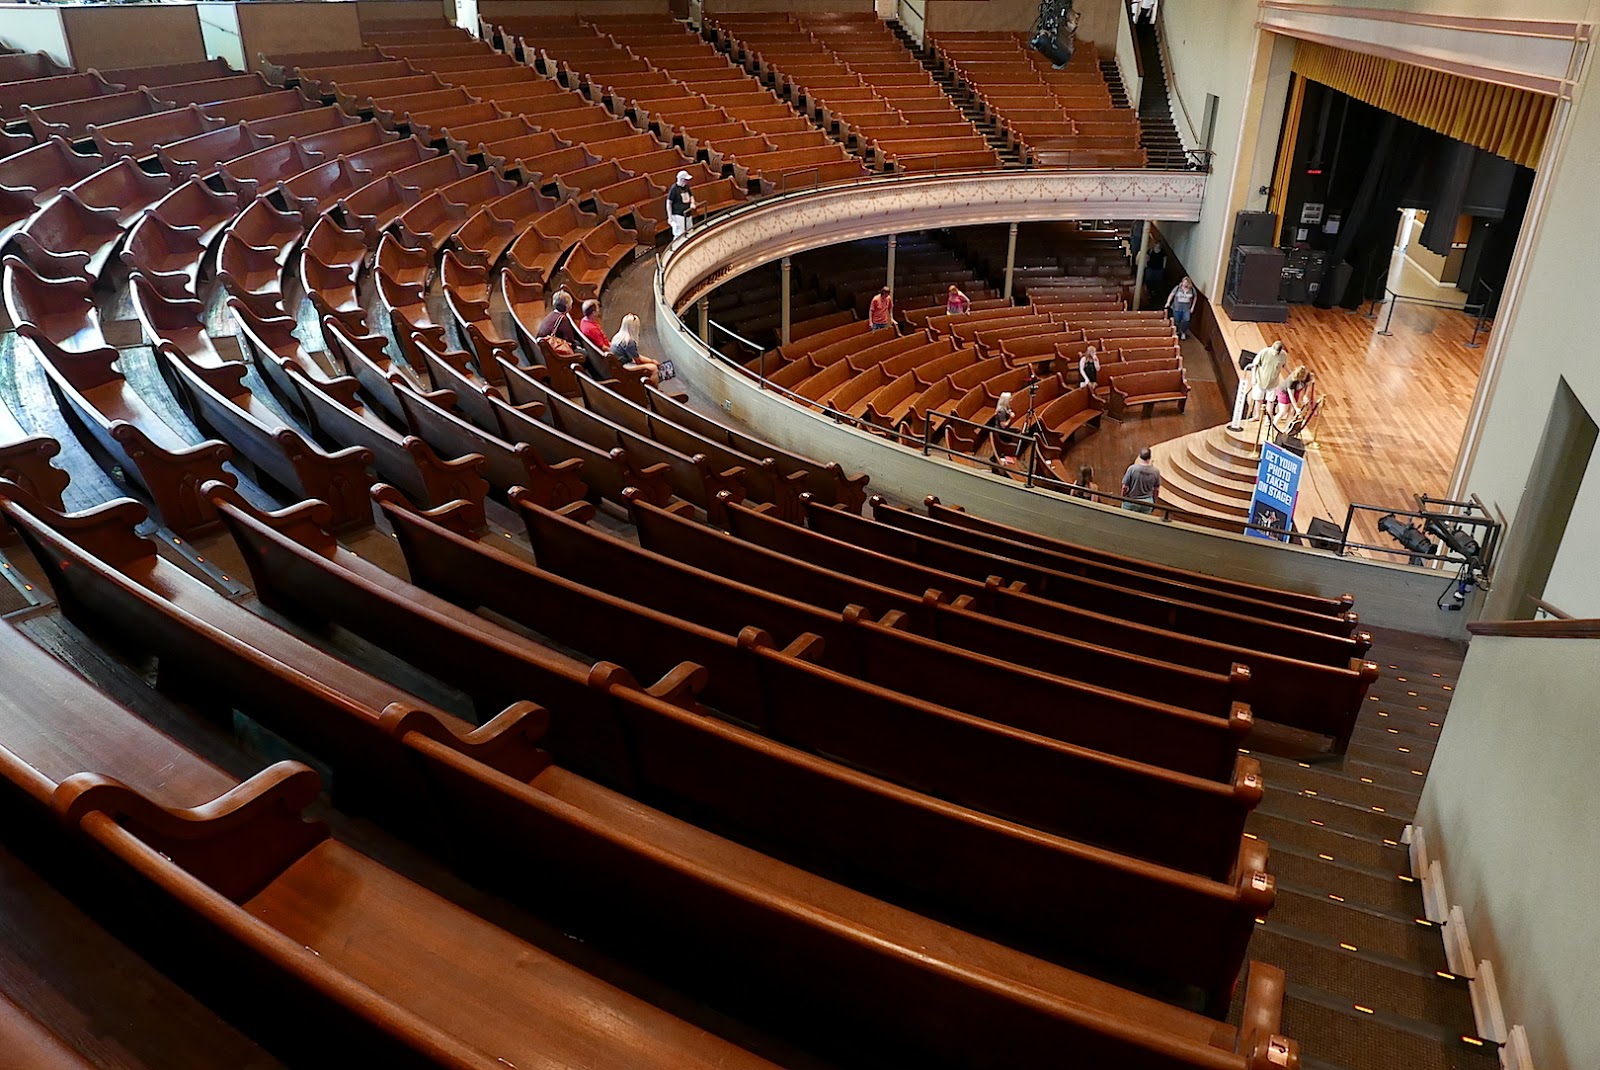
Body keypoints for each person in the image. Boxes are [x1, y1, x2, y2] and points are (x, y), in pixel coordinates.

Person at [1228, 339, 1287, 430]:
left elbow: (1284, 365)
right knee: (1258, 399)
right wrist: (1253, 377)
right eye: (1274, 352)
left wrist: (1290, 373)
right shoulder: (1264, 352)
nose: (1275, 354)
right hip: (1260, 380)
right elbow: (1254, 365)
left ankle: (1268, 419)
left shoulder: (1283, 355)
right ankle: (1257, 415)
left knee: (1270, 401)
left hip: (1273, 382)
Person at [610, 313, 666, 385]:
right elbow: (638, 360)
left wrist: (651, 361)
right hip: (624, 366)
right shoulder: (629, 341)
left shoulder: (618, 336)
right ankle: (654, 391)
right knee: (654, 369)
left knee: (651, 365)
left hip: (619, 364)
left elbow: (636, 355)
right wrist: (652, 362)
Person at [1121, 447, 1161, 514]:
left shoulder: (1132, 469)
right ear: (1150, 457)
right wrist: (1154, 503)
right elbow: (1156, 490)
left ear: (1140, 456)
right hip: (1147, 503)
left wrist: (1123, 498)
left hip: (1132, 501)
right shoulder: (1156, 472)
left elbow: (1124, 487)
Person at [1165, 275, 1197, 340]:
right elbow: (1171, 294)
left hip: (1186, 308)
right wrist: (1168, 302)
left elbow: (1195, 297)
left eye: (1187, 282)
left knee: (1186, 320)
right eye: (1184, 282)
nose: (1185, 284)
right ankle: (1177, 331)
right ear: (1182, 282)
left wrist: (1192, 307)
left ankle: (1183, 332)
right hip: (1177, 307)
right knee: (1177, 320)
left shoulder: (1192, 289)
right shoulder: (1177, 288)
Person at [666, 170, 696, 239]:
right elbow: (669, 203)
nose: (687, 181)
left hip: (687, 214)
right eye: (686, 180)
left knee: (690, 232)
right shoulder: (674, 189)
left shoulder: (686, 187)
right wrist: (670, 217)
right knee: (680, 235)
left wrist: (692, 203)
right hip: (678, 216)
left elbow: (691, 196)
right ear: (681, 179)